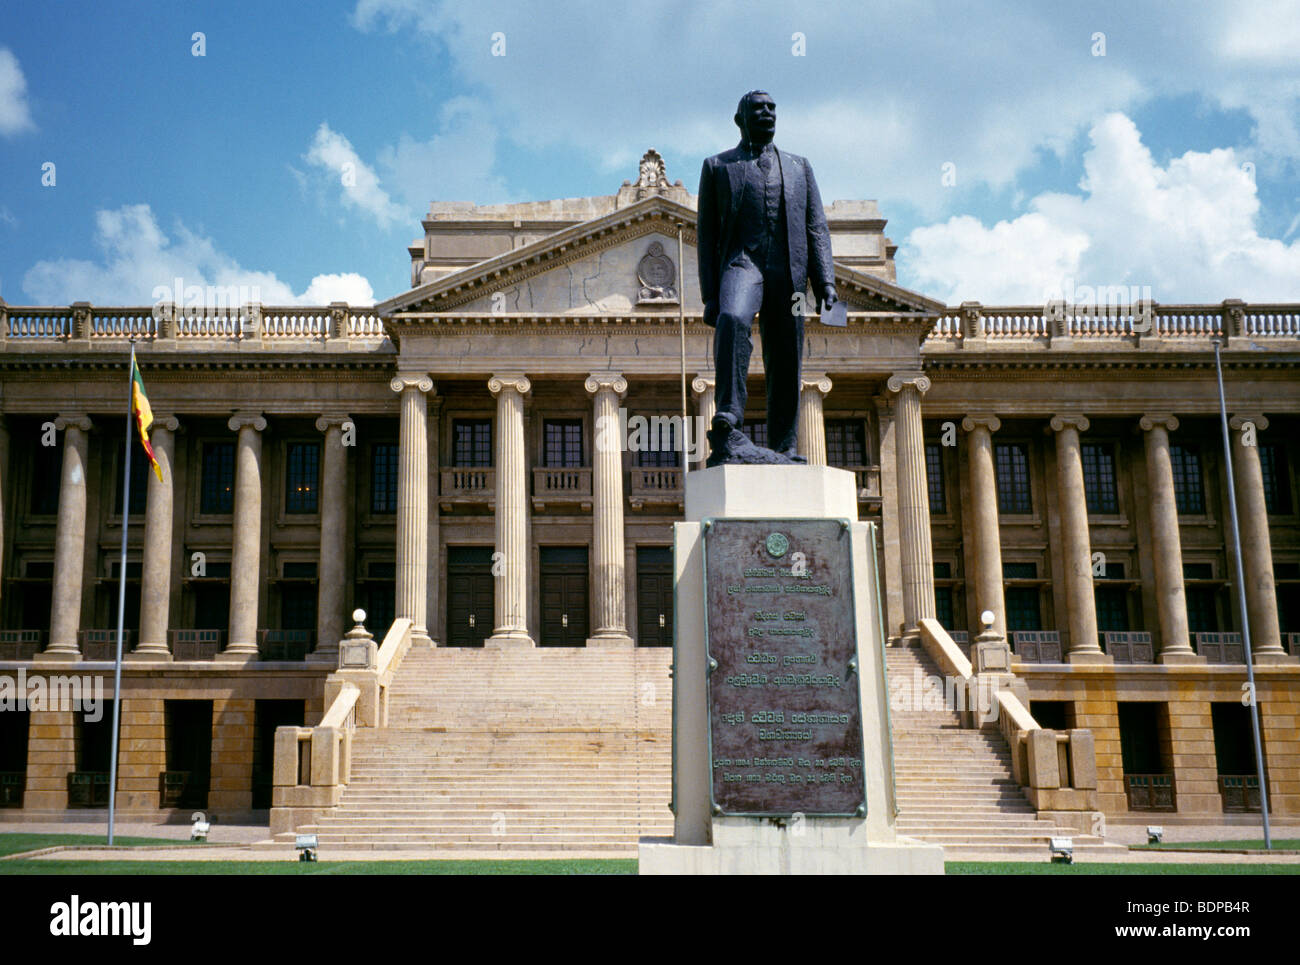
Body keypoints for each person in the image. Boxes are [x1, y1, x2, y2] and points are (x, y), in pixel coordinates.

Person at [697, 90, 838, 466]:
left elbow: (816, 227)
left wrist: (826, 283)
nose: (767, 114)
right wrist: (710, 296)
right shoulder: (718, 166)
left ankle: (785, 442)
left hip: (788, 270)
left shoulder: (799, 166)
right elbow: (707, 236)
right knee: (732, 319)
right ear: (740, 118)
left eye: (772, 108)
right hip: (743, 263)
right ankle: (729, 414)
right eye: (758, 109)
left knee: (786, 355)